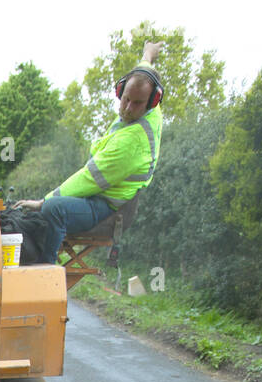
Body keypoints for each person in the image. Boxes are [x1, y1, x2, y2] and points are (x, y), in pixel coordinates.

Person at [17, 41, 164, 265]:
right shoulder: (146, 99)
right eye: (125, 99)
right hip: (102, 196)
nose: (127, 108)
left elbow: (90, 178)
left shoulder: (133, 142)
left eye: (136, 104)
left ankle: (44, 274)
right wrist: (148, 54)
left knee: (54, 209)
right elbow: (143, 73)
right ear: (120, 90)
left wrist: (43, 201)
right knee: (49, 206)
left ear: (152, 103)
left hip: (108, 208)